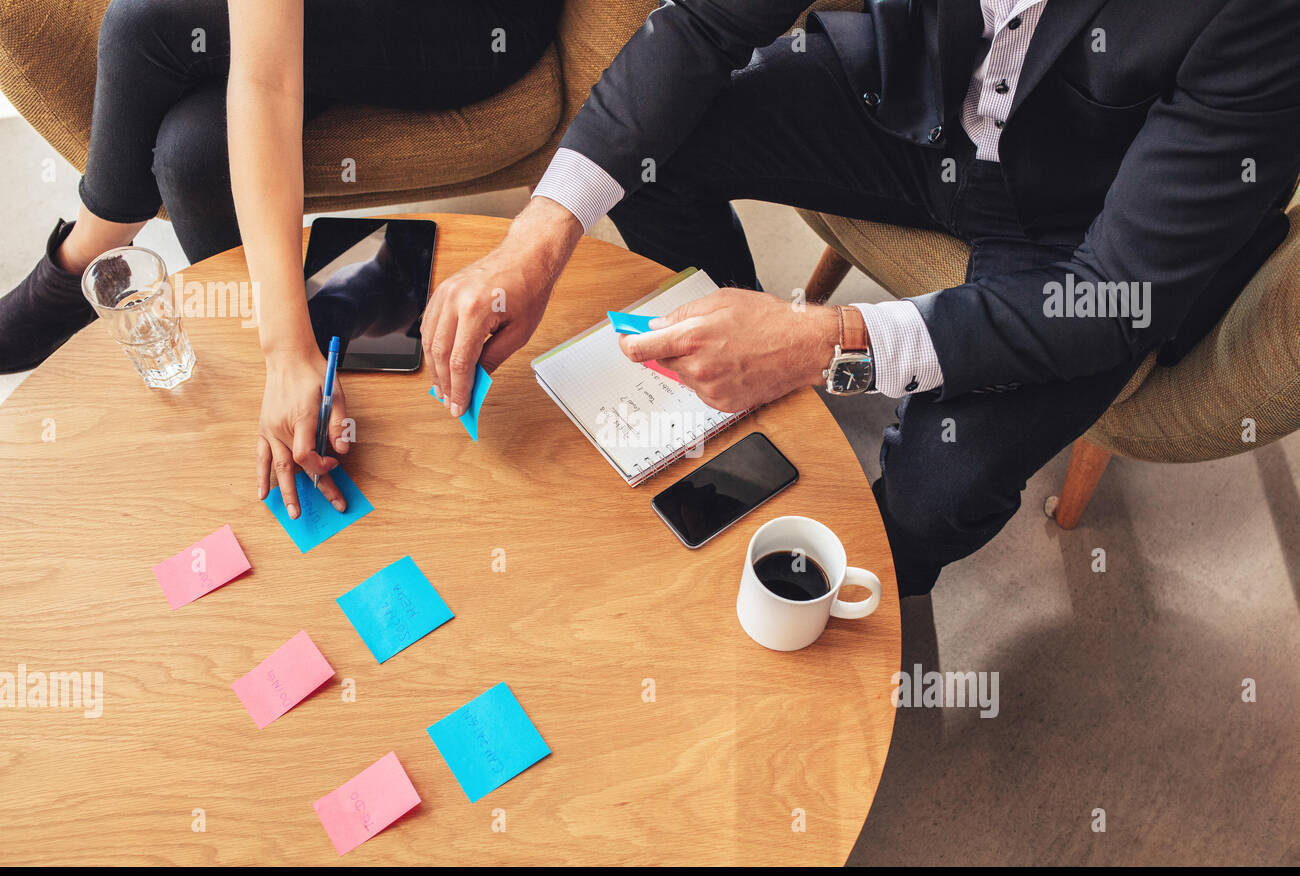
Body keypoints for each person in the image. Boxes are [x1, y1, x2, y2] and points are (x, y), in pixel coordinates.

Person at [420, 0, 1300, 597]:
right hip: (909, 103)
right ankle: (733, 386)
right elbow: (698, 23)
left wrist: (823, 338)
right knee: (648, 160)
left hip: (1083, 233)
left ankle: (854, 605)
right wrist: (538, 234)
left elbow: (1115, 292)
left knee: (933, 490)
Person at [0, 0, 562, 518]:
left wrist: (289, 347)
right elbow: (261, 75)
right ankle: (274, 383)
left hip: (478, 21)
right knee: (192, 153)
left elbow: (268, 82)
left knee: (139, 25)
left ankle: (82, 264)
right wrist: (282, 351)